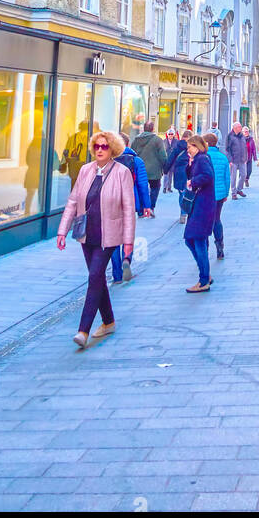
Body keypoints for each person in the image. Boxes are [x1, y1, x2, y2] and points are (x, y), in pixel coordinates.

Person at [57, 131, 136, 348]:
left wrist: (128, 242)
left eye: (105, 147)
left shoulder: (122, 173)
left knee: (94, 275)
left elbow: (129, 209)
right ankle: (108, 321)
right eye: (97, 146)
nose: (100, 150)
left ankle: (83, 330)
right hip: (86, 233)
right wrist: (62, 230)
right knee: (98, 278)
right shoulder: (85, 170)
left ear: (113, 150)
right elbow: (73, 201)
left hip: (109, 235)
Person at [110, 136, 150, 283]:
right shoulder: (136, 161)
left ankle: (116, 274)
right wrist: (146, 205)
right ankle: (126, 259)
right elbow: (142, 184)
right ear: (127, 144)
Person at [183, 133, 215, 292]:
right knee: (191, 239)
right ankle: (205, 275)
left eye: (190, 147)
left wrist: (193, 182)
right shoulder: (198, 159)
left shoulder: (202, 159)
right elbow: (193, 173)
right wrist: (189, 166)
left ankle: (204, 280)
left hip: (203, 206)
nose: (188, 150)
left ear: (197, 146)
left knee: (196, 240)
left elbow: (207, 176)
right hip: (200, 205)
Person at [131, 122, 167, 215]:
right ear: (152, 129)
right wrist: (164, 167)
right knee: (155, 187)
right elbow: (163, 156)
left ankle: (141, 209)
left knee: (140, 188)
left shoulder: (136, 140)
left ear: (144, 129)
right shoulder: (158, 140)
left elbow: (132, 154)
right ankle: (151, 207)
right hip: (154, 170)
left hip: (139, 169)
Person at [206, 131, 231, 260]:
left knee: (204, 220)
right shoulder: (223, 157)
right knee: (216, 219)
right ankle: (219, 245)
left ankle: (204, 247)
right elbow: (227, 178)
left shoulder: (203, 156)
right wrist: (226, 193)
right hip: (219, 193)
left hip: (205, 194)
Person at [165, 129, 191, 222]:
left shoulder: (177, 146)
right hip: (189, 171)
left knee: (181, 193)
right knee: (187, 192)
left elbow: (170, 159)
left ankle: (183, 213)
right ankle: (185, 212)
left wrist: (165, 170)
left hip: (179, 172)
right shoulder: (192, 147)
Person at [227, 122, 248, 200]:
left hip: (242, 159)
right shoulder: (230, 136)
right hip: (234, 160)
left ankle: (239, 189)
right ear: (235, 128)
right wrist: (230, 160)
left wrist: (246, 157)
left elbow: (245, 147)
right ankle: (233, 193)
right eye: (239, 127)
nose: (241, 128)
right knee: (233, 177)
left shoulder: (242, 136)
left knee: (244, 175)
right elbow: (227, 149)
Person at [161, 128, 176, 193]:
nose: (170, 135)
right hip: (166, 160)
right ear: (167, 135)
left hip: (173, 160)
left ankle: (169, 187)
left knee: (170, 175)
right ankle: (164, 187)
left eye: (172, 134)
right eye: (169, 134)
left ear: (173, 134)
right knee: (166, 174)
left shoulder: (176, 141)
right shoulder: (164, 141)